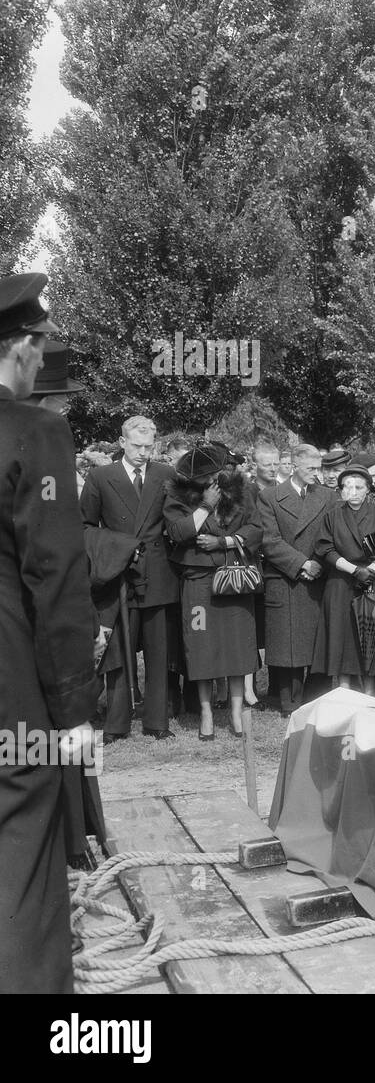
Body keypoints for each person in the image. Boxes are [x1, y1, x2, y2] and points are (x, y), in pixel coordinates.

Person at [1, 272, 100, 993]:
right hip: (11, 685)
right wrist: (73, 712)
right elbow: (57, 574)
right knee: (24, 852)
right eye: (40, 348)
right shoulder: (36, 430)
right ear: (22, 348)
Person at [81, 415, 180, 741]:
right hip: (118, 575)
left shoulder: (165, 474)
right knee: (118, 652)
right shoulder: (99, 476)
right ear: (121, 442)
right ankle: (116, 723)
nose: (142, 453)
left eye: (148, 447)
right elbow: (85, 528)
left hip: (158, 573)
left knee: (158, 651)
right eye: (136, 446)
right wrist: (118, 548)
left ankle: (157, 721)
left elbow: (175, 522)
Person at [164, 443, 263, 739]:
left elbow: (256, 530)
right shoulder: (177, 496)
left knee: (238, 647)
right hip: (198, 582)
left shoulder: (241, 491)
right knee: (202, 646)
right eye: (206, 476)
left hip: (234, 581)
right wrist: (205, 506)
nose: (213, 480)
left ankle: (235, 711)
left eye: (216, 473)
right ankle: (206, 712)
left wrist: (226, 542)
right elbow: (179, 533)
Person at [311, 465, 375, 694]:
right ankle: (344, 691)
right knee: (343, 639)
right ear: (341, 490)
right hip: (342, 582)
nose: (352, 492)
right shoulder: (332, 515)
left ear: (368, 489)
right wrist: (354, 570)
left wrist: (371, 569)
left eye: (358, 487)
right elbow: (325, 549)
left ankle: (373, 693)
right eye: (347, 487)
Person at [257, 444, 331, 715]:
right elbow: (269, 540)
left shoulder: (327, 496)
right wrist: (302, 563)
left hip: (318, 578)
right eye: (311, 468)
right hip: (286, 578)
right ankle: (289, 700)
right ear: (294, 466)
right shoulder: (270, 496)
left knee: (316, 643)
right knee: (289, 646)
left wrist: (319, 562)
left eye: (318, 468)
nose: (316, 473)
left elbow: (332, 535)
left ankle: (317, 695)